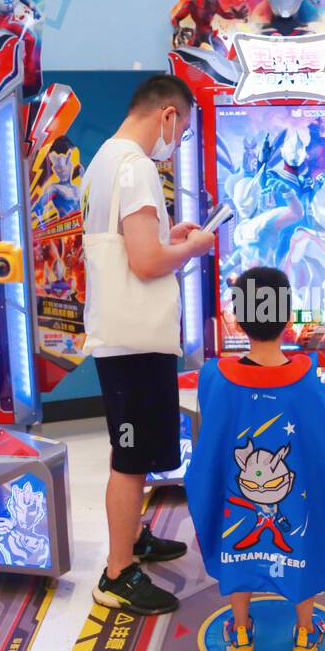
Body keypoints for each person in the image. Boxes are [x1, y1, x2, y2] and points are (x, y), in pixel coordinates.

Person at [84, 74, 216, 616]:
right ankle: (117, 573)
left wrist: (169, 240)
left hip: (124, 335)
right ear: (167, 115)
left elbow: (131, 246)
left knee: (131, 451)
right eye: (180, 130)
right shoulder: (136, 167)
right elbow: (143, 263)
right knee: (130, 458)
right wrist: (195, 247)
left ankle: (132, 538)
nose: (176, 142)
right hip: (133, 340)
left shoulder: (104, 160)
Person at [184, 267, 325, 651]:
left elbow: (211, 442)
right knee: (304, 541)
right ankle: (305, 630)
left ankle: (241, 629)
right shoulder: (308, 379)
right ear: (287, 317)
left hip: (234, 499)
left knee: (236, 545)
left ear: (239, 318)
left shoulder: (213, 377)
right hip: (295, 500)